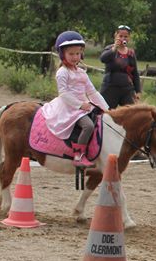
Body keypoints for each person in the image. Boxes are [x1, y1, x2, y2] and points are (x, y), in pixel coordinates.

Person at [40, 30, 110, 167]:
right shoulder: (62, 72)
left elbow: (92, 92)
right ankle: (79, 155)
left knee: (100, 121)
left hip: (83, 105)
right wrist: (80, 105)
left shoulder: (82, 73)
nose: (75, 57)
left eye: (77, 53)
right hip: (69, 107)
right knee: (88, 126)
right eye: (71, 54)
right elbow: (64, 94)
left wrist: (107, 109)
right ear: (62, 54)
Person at [99, 24, 141, 108]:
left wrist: (138, 91)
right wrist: (114, 48)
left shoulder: (131, 53)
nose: (123, 38)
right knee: (105, 111)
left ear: (129, 38)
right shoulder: (110, 48)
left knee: (131, 112)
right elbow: (103, 59)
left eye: (126, 36)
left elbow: (135, 73)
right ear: (116, 36)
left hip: (127, 88)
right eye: (120, 36)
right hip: (110, 87)